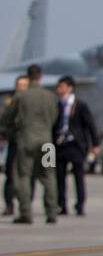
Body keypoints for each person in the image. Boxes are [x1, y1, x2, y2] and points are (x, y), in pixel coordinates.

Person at [0, 64, 59, 224]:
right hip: (47, 142)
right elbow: (55, 118)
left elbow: (7, 118)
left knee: (23, 175)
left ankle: (26, 213)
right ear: (40, 77)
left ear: (28, 77)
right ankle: (52, 212)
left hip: (26, 140)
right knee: (49, 175)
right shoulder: (51, 96)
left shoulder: (21, 97)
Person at [53, 75, 101, 216]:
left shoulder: (80, 105)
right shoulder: (57, 106)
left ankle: (80, 205)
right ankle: (62, 205)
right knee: (59, 177)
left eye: (61, 87)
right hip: (59, 146)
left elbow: (90, 125)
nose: (59, 90)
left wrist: (95, 145)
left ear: (70, 88)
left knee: (79, 177)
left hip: (76, 145)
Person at [2, 75, 30, 216]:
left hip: (37, 145)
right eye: (19, 85)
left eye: (24, 85)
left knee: (44, 173)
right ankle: (9, 205)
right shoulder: (10, 102)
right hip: (15, 142)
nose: (21, 88)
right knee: (11, 175)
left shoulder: (35, 101)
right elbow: (4, 118)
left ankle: (27, 206)